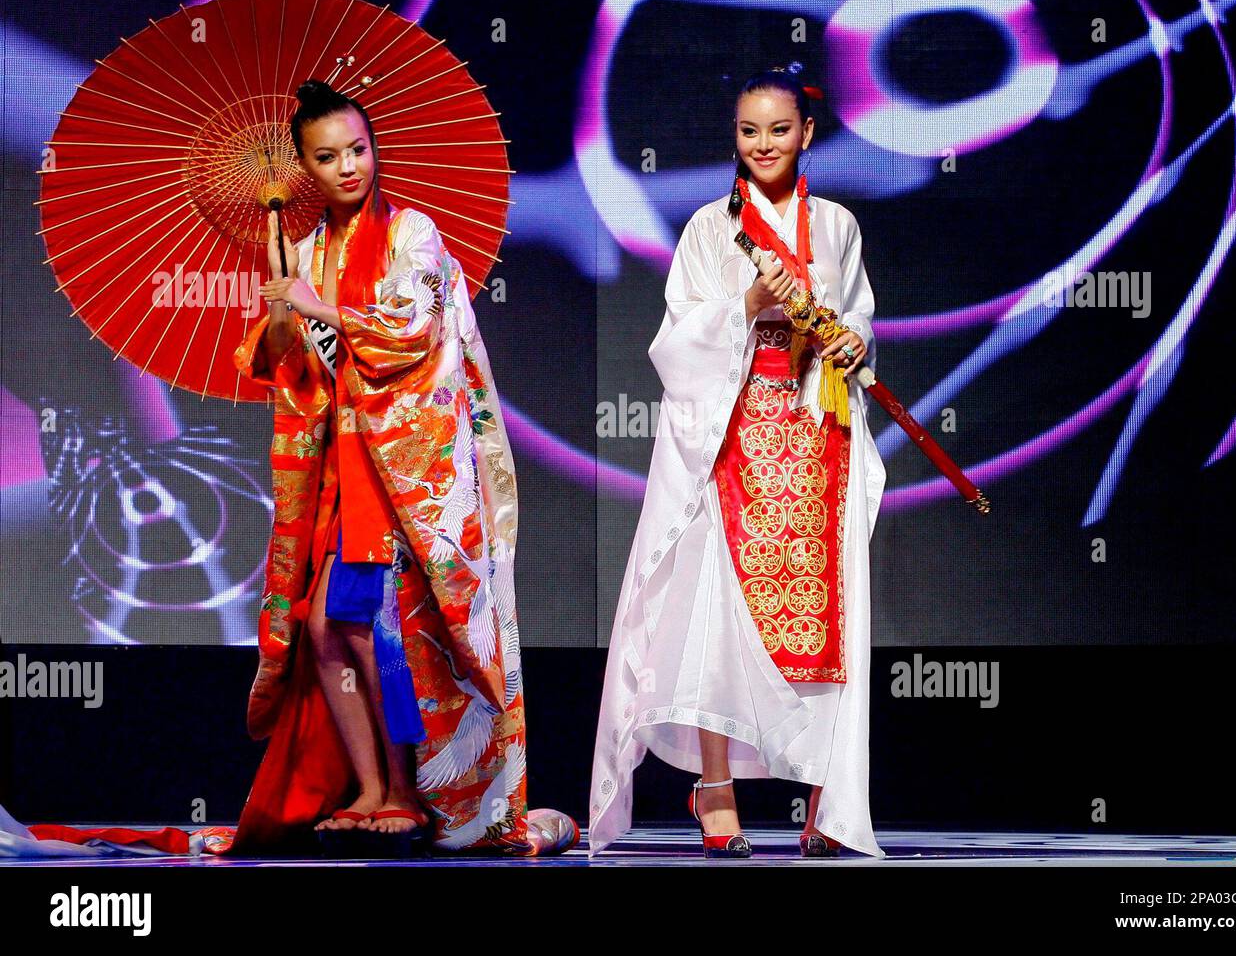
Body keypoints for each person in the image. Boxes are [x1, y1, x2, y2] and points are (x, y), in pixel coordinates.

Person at [229, 79, 573, 855]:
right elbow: (289, 368)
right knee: (327, 627)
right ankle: (371, 783)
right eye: (328, 156)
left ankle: (407, 788)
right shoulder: (309, 248)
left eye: (357, 148)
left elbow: (411, 334)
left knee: (379, 628)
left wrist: (319, 308)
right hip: (346, 461)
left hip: (403, 464)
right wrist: (285, 309)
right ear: (306, 170)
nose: (349, 166)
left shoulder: (412, 232)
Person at [588, 64, 887, 859]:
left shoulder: (838, 226)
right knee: (723, 616)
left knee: (826, 611)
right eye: (750, 131)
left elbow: (855, 312)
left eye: (780, 130)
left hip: (816, 434)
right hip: (733, 438)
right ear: (735, 137)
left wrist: (852, 336)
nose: (764, 144)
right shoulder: (708, 230)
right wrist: (746, 308)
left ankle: (829, 790)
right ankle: (713, 788)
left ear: (807, 133)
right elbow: (673, 344)